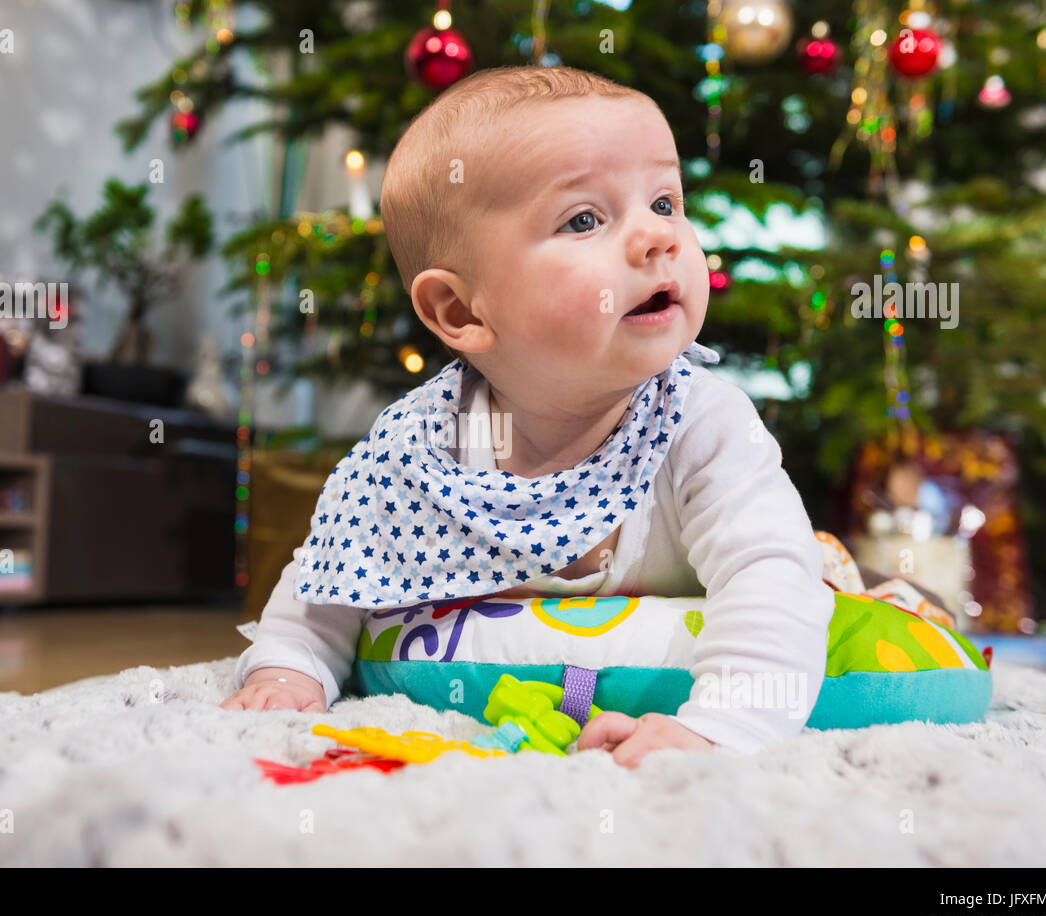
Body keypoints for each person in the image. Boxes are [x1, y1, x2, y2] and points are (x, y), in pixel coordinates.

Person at [221, 66, 835, 765]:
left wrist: (723, 722)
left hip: (731, 612)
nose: (657, 239)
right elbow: (334, 571)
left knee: (822, 562)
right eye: (584, 219)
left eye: (665, 202)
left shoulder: (699, 419)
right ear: (461, 311)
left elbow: (770, 567)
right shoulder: (430, 444)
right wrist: (287, 664)